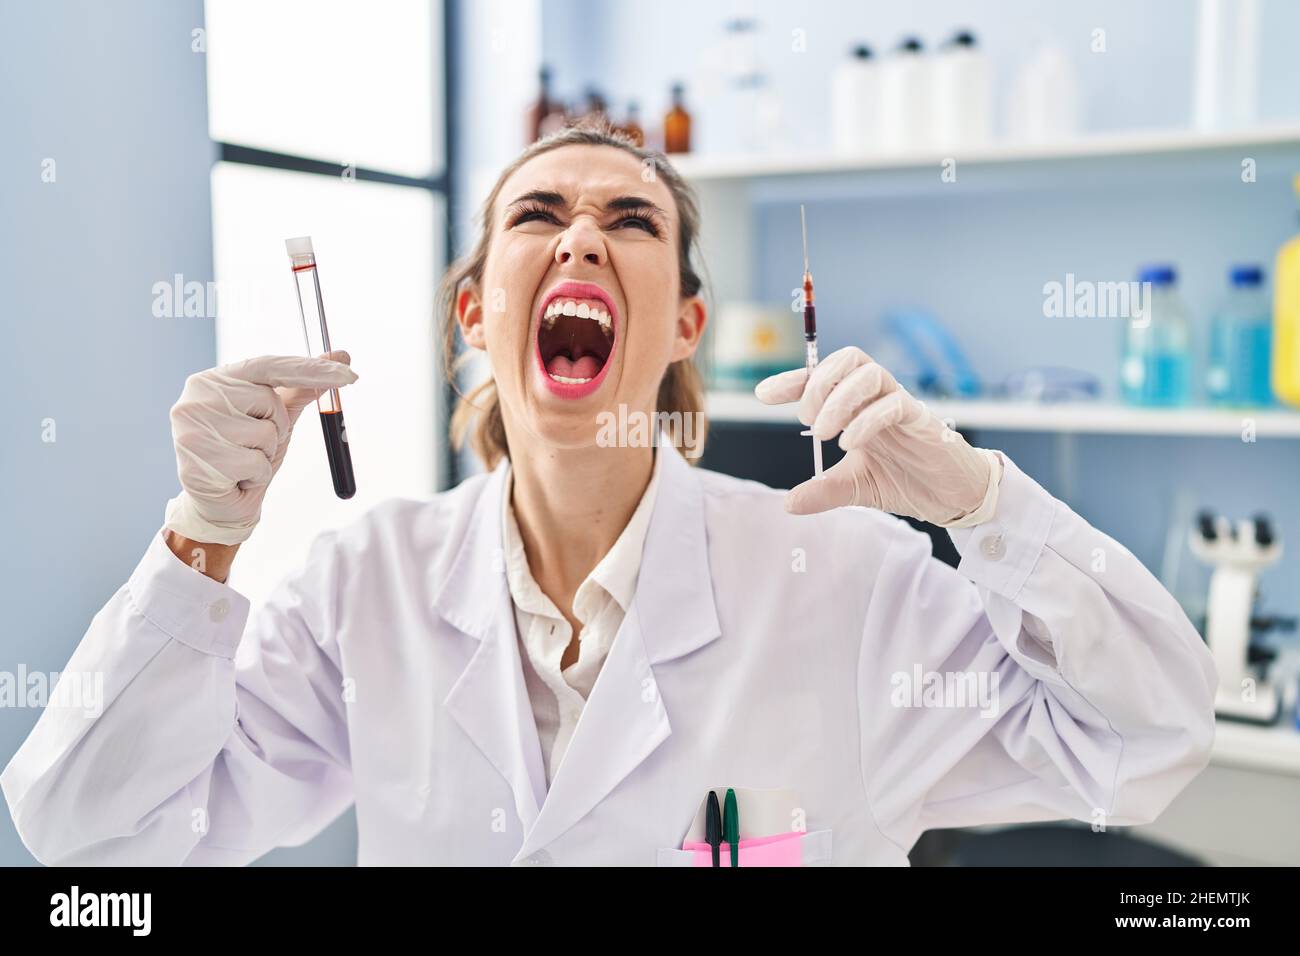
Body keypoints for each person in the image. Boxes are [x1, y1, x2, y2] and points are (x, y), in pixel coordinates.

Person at [1, 125, 1216, 866]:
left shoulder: (845, 579)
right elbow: (95, 838)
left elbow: (1147, 733)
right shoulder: (359, 588)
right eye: (540, 214)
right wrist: (201, 541)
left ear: (683, 321)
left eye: (627, 219)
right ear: (476, 309)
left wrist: (982, 504)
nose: (581, 238)